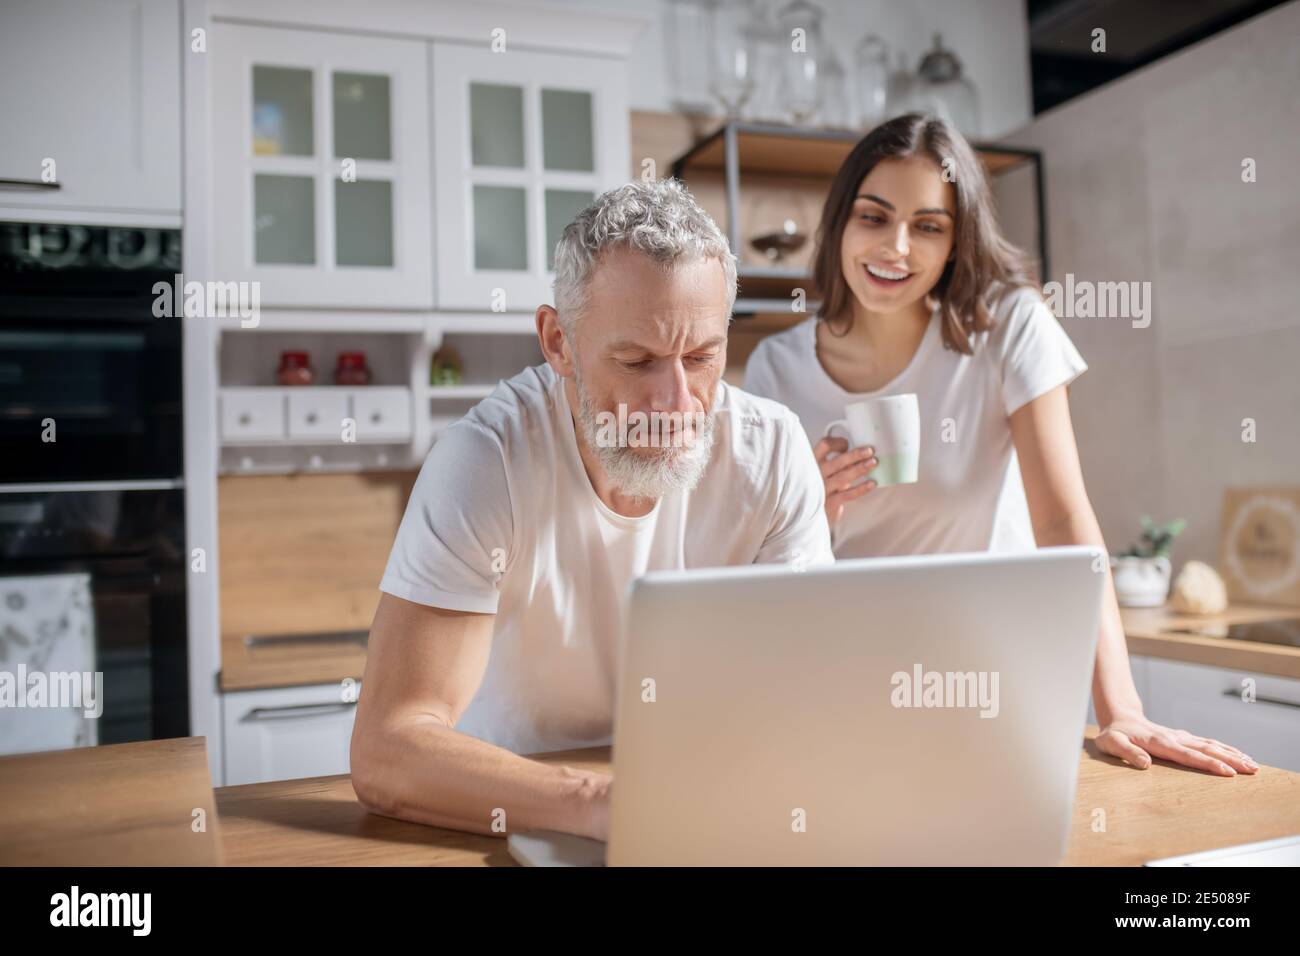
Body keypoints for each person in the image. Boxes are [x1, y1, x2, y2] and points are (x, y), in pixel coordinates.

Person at [744, 113, 1258, 778]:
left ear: (958, 241)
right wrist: (809, 520)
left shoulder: (1007, 326)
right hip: (853, 679)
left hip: (997, 680)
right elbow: (763, 568)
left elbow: (1063, 519)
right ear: (841, 221)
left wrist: (1121, 708)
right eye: (874, 217)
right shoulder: (773, 368)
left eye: (928, 226)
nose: (897, 246)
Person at [350, 179, 833, 842]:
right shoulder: (485, 462)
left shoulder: (772, 454)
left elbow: (804, 695)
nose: (676, 401)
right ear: (557, 343)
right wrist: (607, 806)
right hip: (513, 818)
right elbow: (388, 750)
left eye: (701, 357)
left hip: (703, 812)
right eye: (637, 360)